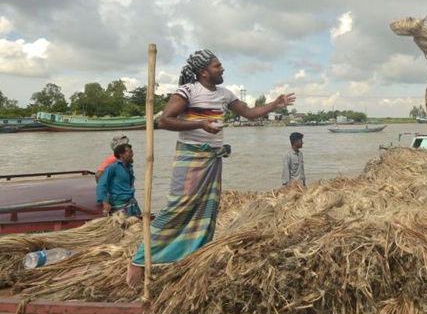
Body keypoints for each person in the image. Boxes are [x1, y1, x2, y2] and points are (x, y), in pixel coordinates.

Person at [126, 49, 296, 289]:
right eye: (217, 66)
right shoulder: (188, 91)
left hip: (213, 160)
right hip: (190, 158)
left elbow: (248, 113)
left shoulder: (224, 94)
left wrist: (275, 104)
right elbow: (164, 120)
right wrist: (201, 124)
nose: (222, 69)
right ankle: (139, 260)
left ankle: (191, 257)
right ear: (203, 71)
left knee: (206, 210)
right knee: (178, 207)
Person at [95, 143, 141, 216]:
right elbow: (101, 185)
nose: (132, 154)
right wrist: (105, 202)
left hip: (130, 202)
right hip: (119, 204)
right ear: (121, 154)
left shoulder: (129, 168)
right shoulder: (112, 167)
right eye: (130, 152)